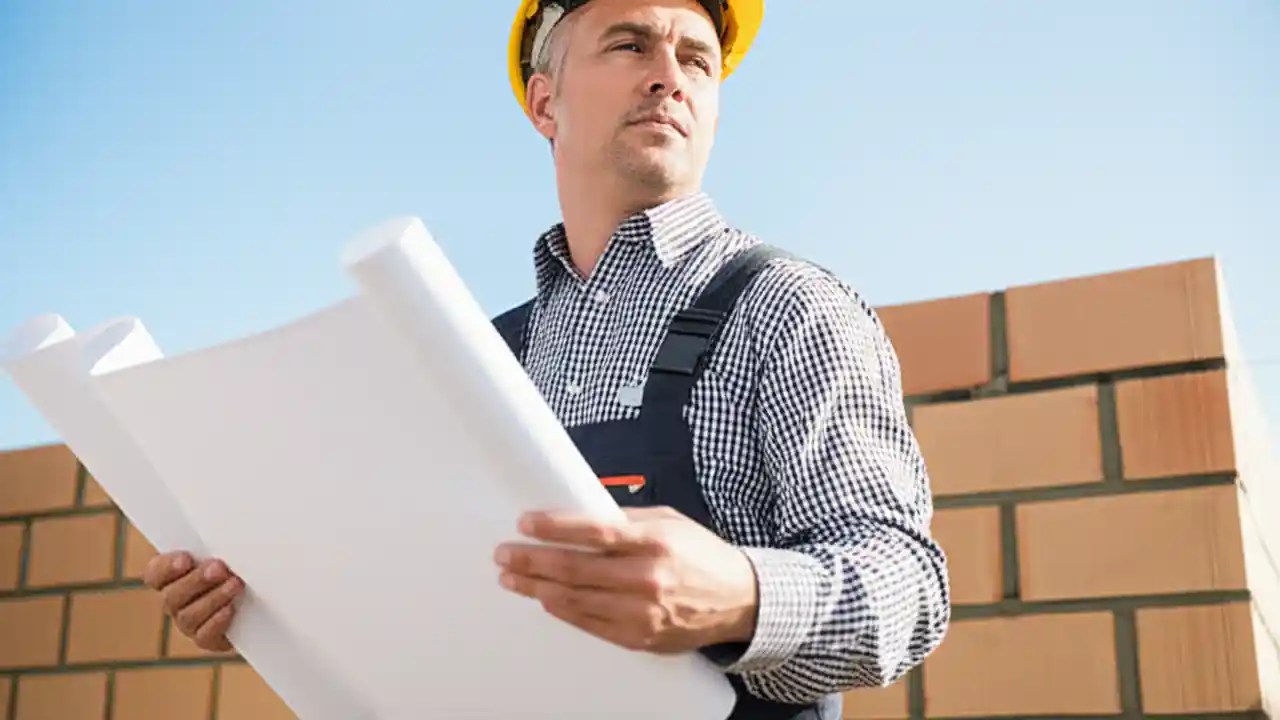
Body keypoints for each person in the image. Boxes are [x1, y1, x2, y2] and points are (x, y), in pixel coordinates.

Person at [143, 1, 951, 717]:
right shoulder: (478, 353)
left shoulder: (788, 308)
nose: (670, 76)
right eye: (631, 45)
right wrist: (274, 615)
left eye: (697, 58)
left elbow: (909, 592)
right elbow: (425, 599)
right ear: (544, 101)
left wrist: (741, 595)